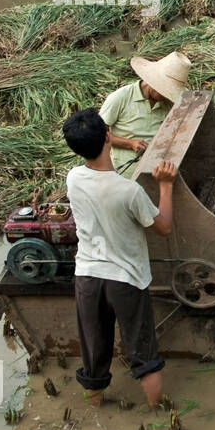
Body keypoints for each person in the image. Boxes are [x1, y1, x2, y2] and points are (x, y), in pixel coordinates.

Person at [62, 107, 177, 409]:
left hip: (87, 276)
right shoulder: (130, 191)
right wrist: (166, 185)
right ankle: (157, 410)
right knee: (142, 351)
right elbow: (163, 227)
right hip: (125, 280)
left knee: (94, 348)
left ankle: (96, 408)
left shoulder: (73, 178)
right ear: (108, 136)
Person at [100, 51, 191, 173]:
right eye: (164, 91)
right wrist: (130, 143)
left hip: (158, 172)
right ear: (153, 82)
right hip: (126, 171)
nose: (167, 96)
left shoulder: (170, 103)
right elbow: (98, 135)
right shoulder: (121, 98)